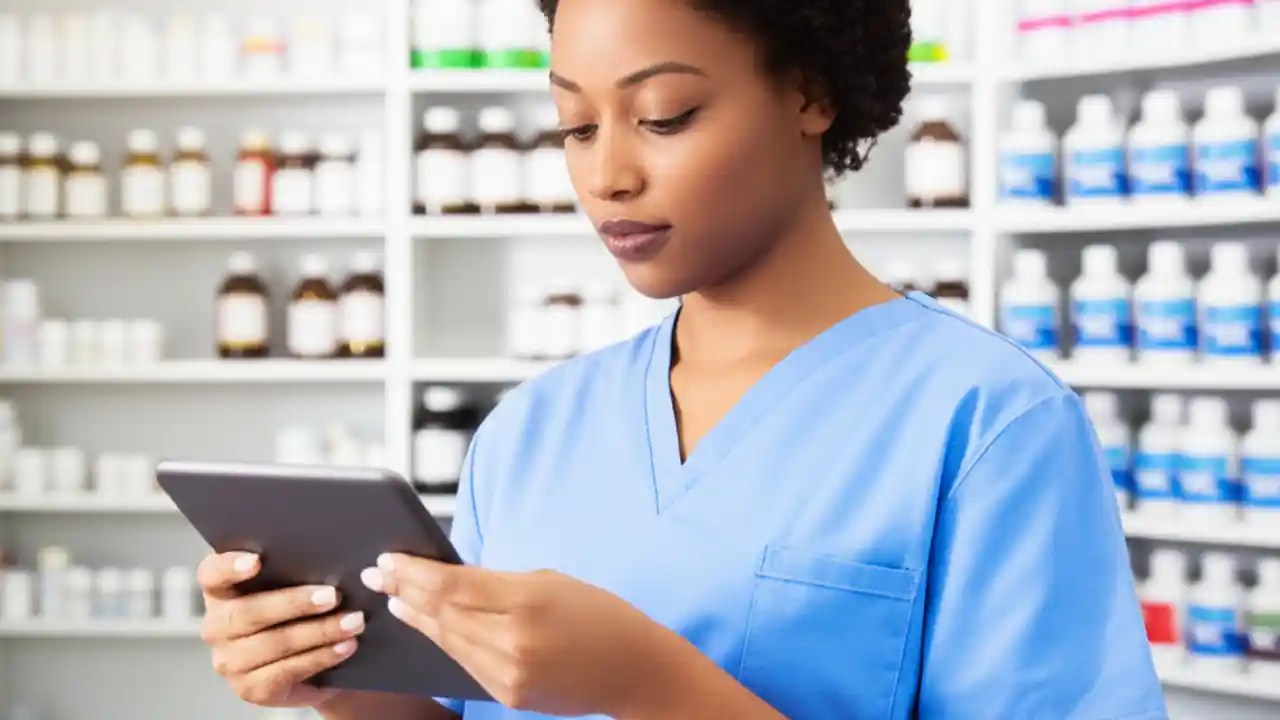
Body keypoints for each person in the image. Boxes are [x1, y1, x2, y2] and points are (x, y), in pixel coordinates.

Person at [195, 0, 1168, 718]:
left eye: (661, 115)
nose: (607, 175)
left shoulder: (986, 421)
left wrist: (646, 683)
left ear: (808, 94)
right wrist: (335, 673)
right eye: (575, 125)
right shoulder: (533, 428)